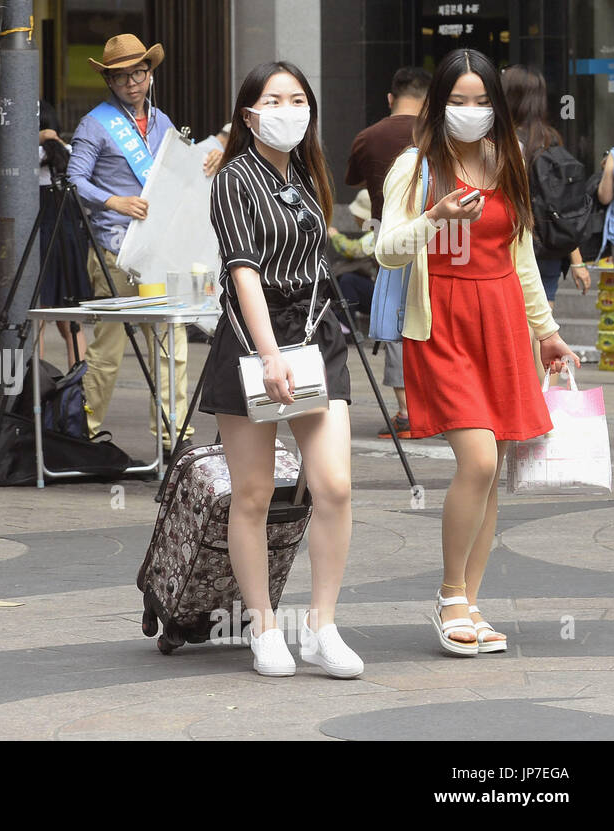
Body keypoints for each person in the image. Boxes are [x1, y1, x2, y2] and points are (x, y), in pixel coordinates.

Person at [376, 48, 579, 657]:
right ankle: (448, 595)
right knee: (480, 460)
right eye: (457, 101)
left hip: (503, 325)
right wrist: (433, 217)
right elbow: (385, 248)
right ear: (438, 104)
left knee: (491, 476)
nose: (470, 111)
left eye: (481, 100)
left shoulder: (506, 158)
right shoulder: (415, 167)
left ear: (496, 104)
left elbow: (519, 258)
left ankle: (470, 599)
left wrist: (545, 332)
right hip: (443, 326)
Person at [205, 61, 360, 679]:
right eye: (275, 99)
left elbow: (323, 260)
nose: (290, 109)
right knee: (254, 492)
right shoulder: (232, 178)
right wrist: (269, 355)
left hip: (316, 336)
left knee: (336, 486)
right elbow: (242, 272)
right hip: (252, 341)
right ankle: (265, 626)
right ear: (249, 114)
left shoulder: (305, 173)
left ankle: (322, 626)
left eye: (299, 99)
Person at [69, 34, 213, 446]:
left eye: (139, 72)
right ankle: (84, 431)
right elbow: (73, 181)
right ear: (109, 82)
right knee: (109, 348)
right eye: (121, 77)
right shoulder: (94, 124)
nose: (132, 82)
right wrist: (113, 200)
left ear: (150, 74)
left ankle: (173, 437)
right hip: (115, 249)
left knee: (171, 341)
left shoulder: (164, 122)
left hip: (159, 252)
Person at [346, 66, 431, 440]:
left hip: (390, 241)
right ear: (430, 101)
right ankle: (439, 406)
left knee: (397, 324)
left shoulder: (369, 137)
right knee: (434, 325)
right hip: (440, 240)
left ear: (390, 98)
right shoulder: (436, 135)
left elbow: (353, 180)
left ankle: (405, 411)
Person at [502, 64, 591, 310]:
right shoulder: (550, 139)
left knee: (516, 325)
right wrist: (577, 262)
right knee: (543, 324)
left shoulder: (504, 143)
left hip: (513, 249)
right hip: (548, 249)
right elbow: (563, 206)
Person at [37, 99, 90, 368]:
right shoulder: (71, 153)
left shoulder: (26, 158)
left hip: (40, 241)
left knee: (37, 320)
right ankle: (78, 390)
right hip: (70, 243)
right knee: (72, 322)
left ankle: (35, 390)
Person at [329, 189, 378, 330]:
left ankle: (345, 325)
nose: (355, 217)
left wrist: (336, 236)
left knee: (348, 280)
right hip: (372, 291)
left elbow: (353, 250)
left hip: (377, 295)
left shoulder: (375, 235)